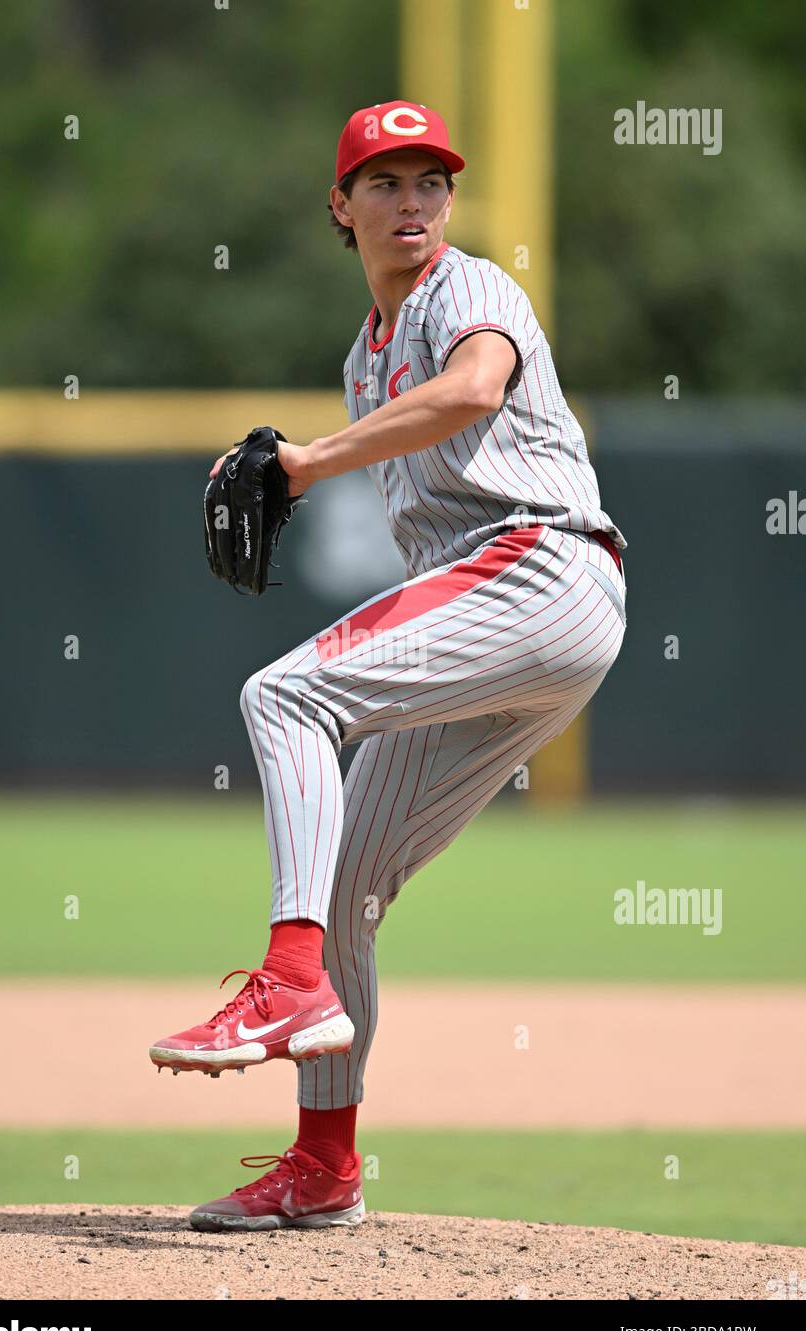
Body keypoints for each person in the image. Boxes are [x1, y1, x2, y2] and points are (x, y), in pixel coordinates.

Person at [150, 100, 628, 1232]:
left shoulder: (467, 289)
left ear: (447, 203)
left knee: (284, 690)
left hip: (543, 568)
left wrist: (304, 465)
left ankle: (284, 977)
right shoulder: (364, 361)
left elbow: (469, 391)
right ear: (340, 205)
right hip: (516, 609)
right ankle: (324, 1166)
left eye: (428, 182)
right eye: (383, 182)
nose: (410, 203)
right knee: (348, 885)